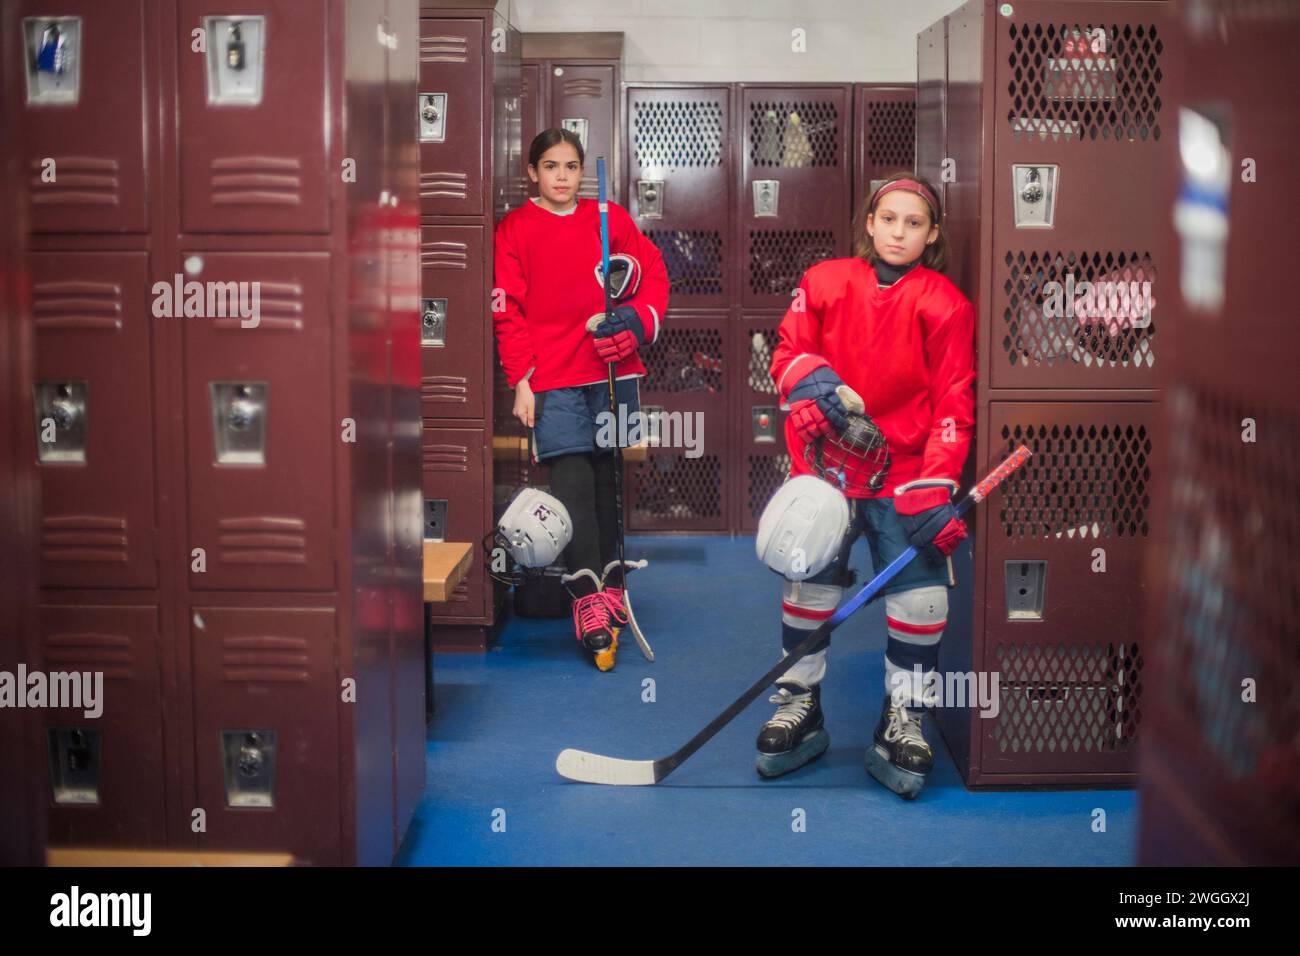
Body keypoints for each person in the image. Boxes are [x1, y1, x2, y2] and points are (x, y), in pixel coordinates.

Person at [757, 172, 976, 797]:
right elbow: (788, 351)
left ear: (931, 233)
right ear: (870, 223)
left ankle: (902, 715)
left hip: (907, 474)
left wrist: (937, 487)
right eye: (889, 220)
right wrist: (812, 386)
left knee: (924, 601)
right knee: (809, 583)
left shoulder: (946, 304)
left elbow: (954, 401)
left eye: (914, 223)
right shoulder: (825, 281)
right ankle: (799, 702)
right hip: (828, 466)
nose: (899, 232)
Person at [492, 128, 670, 671]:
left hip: (611, 369)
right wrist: (522, 379)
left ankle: (613, 586)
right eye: (551, 166)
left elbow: (655, 277)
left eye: (571, 166)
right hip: (553, 377)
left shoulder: (610, 218)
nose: (563, 177)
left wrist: (638, 321)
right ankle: (587, 601)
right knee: (571, 487)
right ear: (532, 173)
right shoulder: (515, 229)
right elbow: (508, 311)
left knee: (608, 477)